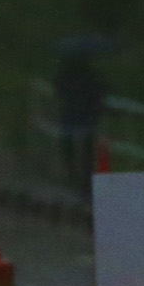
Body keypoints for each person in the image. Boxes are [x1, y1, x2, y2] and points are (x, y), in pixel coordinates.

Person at [55, 50, 107, 191]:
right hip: (86, 116)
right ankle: (85, 178)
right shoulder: (92, 75)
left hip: (72, 115)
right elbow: (100, 92)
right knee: (87, 149)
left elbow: (59, 91)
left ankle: (72, 173)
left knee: (70, 145)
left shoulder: (66, 75)